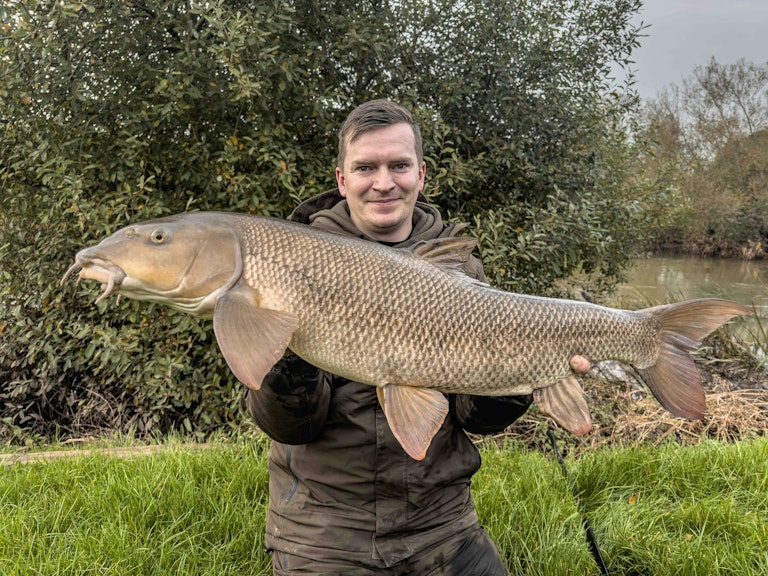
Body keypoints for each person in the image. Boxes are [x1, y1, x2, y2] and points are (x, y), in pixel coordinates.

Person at [244, 99, 590, 575]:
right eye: (365, 167)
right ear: (342, 180)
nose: (383, 182)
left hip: (442, 525)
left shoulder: (457, 268)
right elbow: (290, 428)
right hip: (326, 534)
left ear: (421, 174)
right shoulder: (291, 262)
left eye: (398, 165)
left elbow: (477, 418)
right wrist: (286, 351)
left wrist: (529, 372)